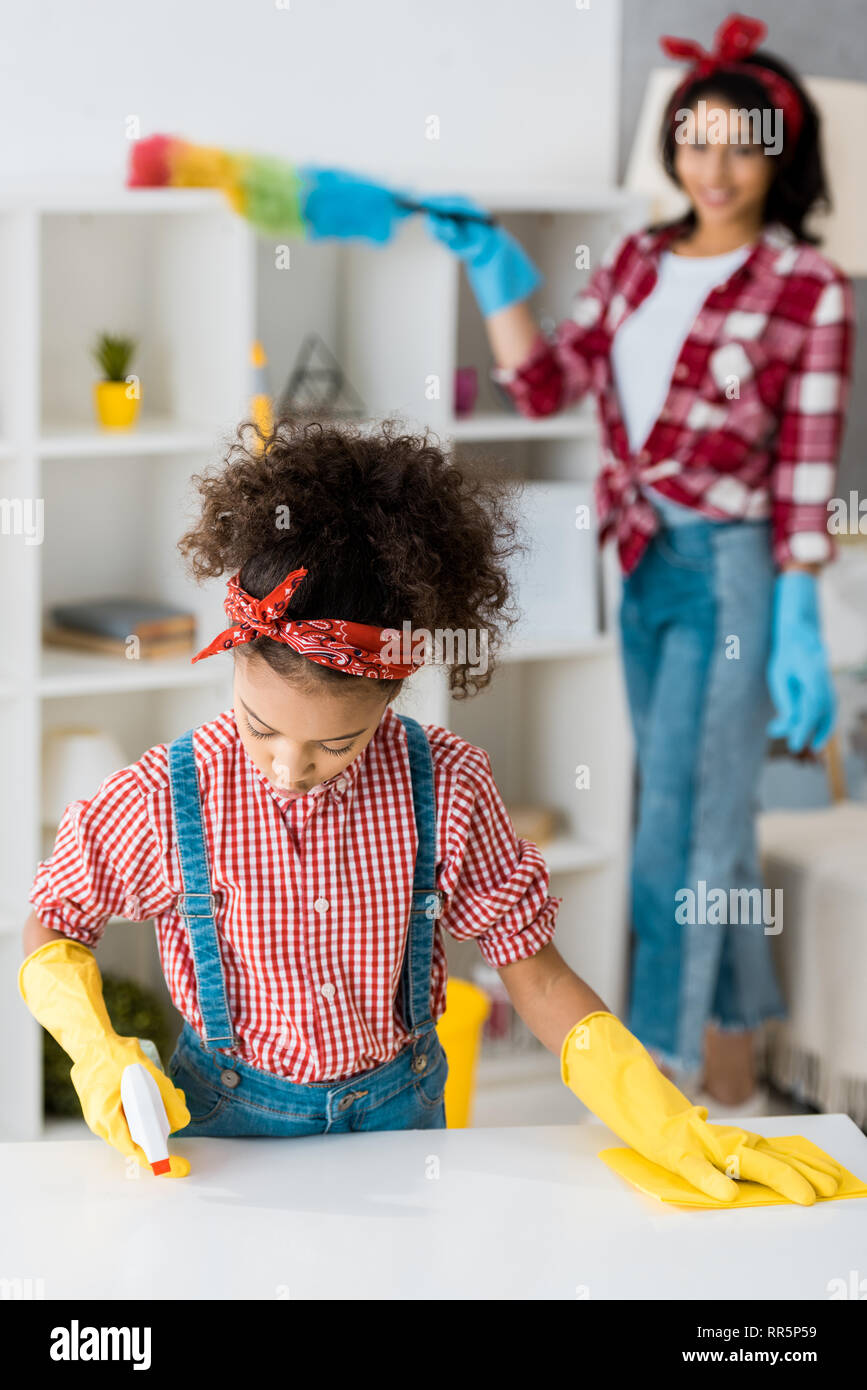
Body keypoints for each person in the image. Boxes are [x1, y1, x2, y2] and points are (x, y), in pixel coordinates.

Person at [18, 416, 843, 1202]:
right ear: (236, 656)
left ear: (393, 692)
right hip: (225, 1135)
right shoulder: (168, 795)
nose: (288, 769)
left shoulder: (443, 785)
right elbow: (53, 917)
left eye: (334, 746)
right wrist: (94, 1048)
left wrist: (658, 1114)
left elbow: (538, 974)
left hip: (399, 1120)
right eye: (262, 727)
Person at [424, 12, 855, 1109]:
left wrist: (800, 609)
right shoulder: (635, 260)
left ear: (779, 155)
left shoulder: (808, 286)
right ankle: (738, 1071)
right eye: (694, 139)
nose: (713, 165)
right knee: (710, 817)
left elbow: (808, 467)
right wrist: (497, 276)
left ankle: (654, 1066)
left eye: (740, 142)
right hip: (643, 558)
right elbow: (544, 385)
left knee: (673, 822)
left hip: (735, 568)